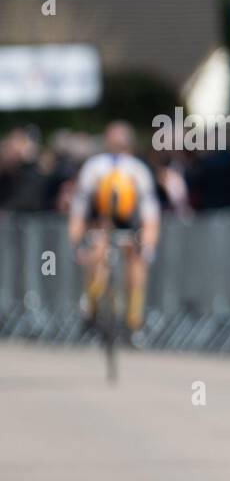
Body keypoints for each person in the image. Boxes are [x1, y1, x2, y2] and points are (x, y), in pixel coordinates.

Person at [67, 122, 161, 333]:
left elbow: (150, 213)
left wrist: (148, 245)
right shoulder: (95, 167)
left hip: (130, 225)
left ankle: (133, 320)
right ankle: (91, 306)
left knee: (136, 262)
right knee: (98, 252)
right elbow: (79, 208)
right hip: (100, 223)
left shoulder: (138, 170)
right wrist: (76, 241)